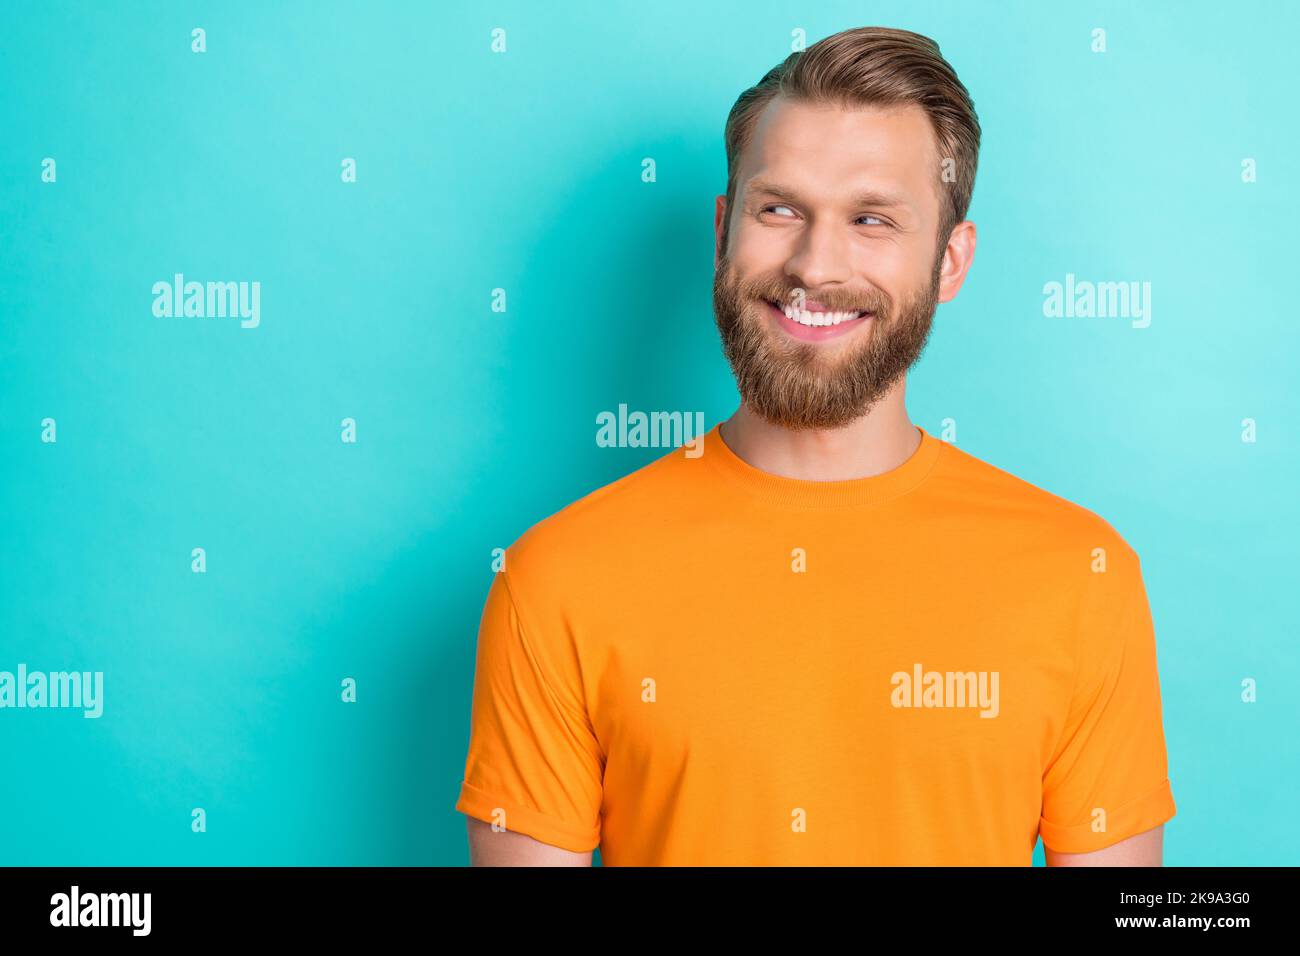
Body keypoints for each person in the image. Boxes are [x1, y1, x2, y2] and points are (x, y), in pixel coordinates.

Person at [455, 25, 1176, 866]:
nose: (814, 263)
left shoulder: (1083, 577)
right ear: (724, 230)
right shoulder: (555, 581)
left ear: (949, 261)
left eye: (872, 218)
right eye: (780, 209)